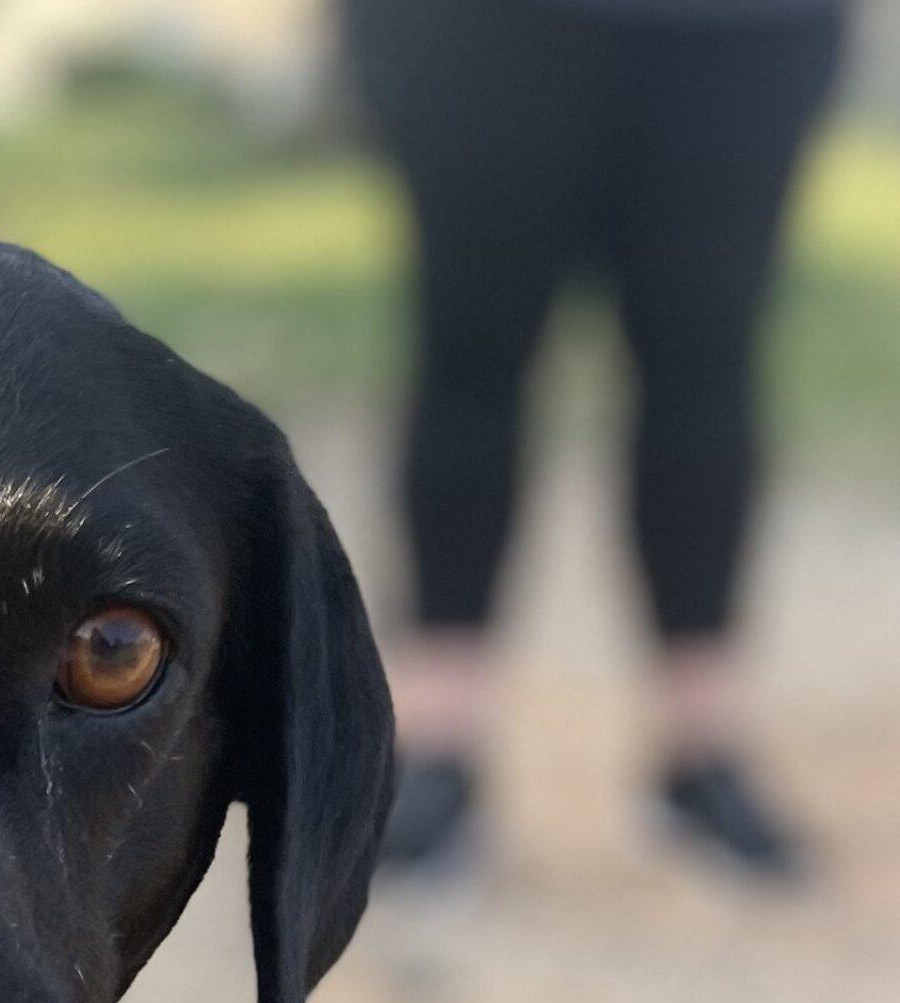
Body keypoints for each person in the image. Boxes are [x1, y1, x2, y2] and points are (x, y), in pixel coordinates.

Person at [347, 0, 847, 879]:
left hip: (742, 29)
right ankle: (439, 744)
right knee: (469, 346)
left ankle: (702, 745)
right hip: (480, 31)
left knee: (707, 356)